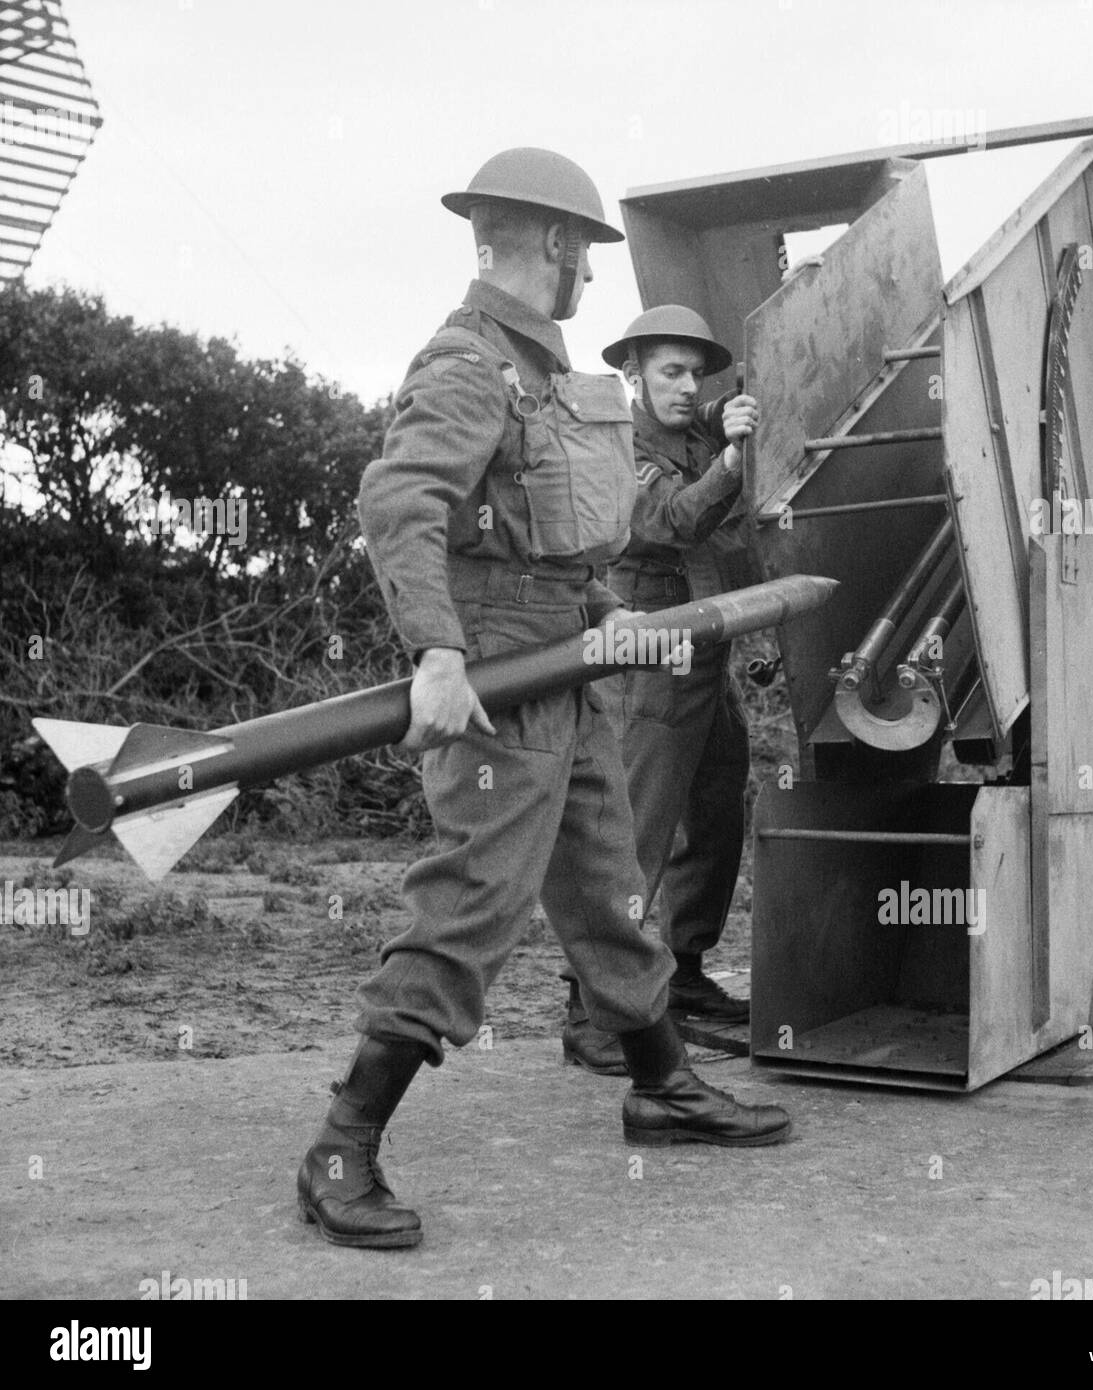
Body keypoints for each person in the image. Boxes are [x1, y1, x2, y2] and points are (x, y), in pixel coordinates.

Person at [296, 151, 791, 1251]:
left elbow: (542, 538)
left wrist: (609, 605)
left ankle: (660, 1083)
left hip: (566, 676)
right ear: (561, 249)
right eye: (587, 260)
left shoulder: (540, 374)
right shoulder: (471, 364)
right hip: (496, 697)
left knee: (610, 888)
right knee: (473, 903)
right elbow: (399, 504)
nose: (588, 282)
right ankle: (341, 1141)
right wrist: (433, 653)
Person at [561, 306, 760, 1076]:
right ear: (633, 376)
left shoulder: (697, 431)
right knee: (636, 829)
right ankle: (590, 1013)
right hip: (647, 649)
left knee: (714, 808)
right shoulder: (623, 442)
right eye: (668, 372)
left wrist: (720, 419)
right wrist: (731, 461)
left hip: (705, 647)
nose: (684, 387)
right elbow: (671, 518)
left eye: (694, 374)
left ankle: (679, 970)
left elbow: (728, 532)